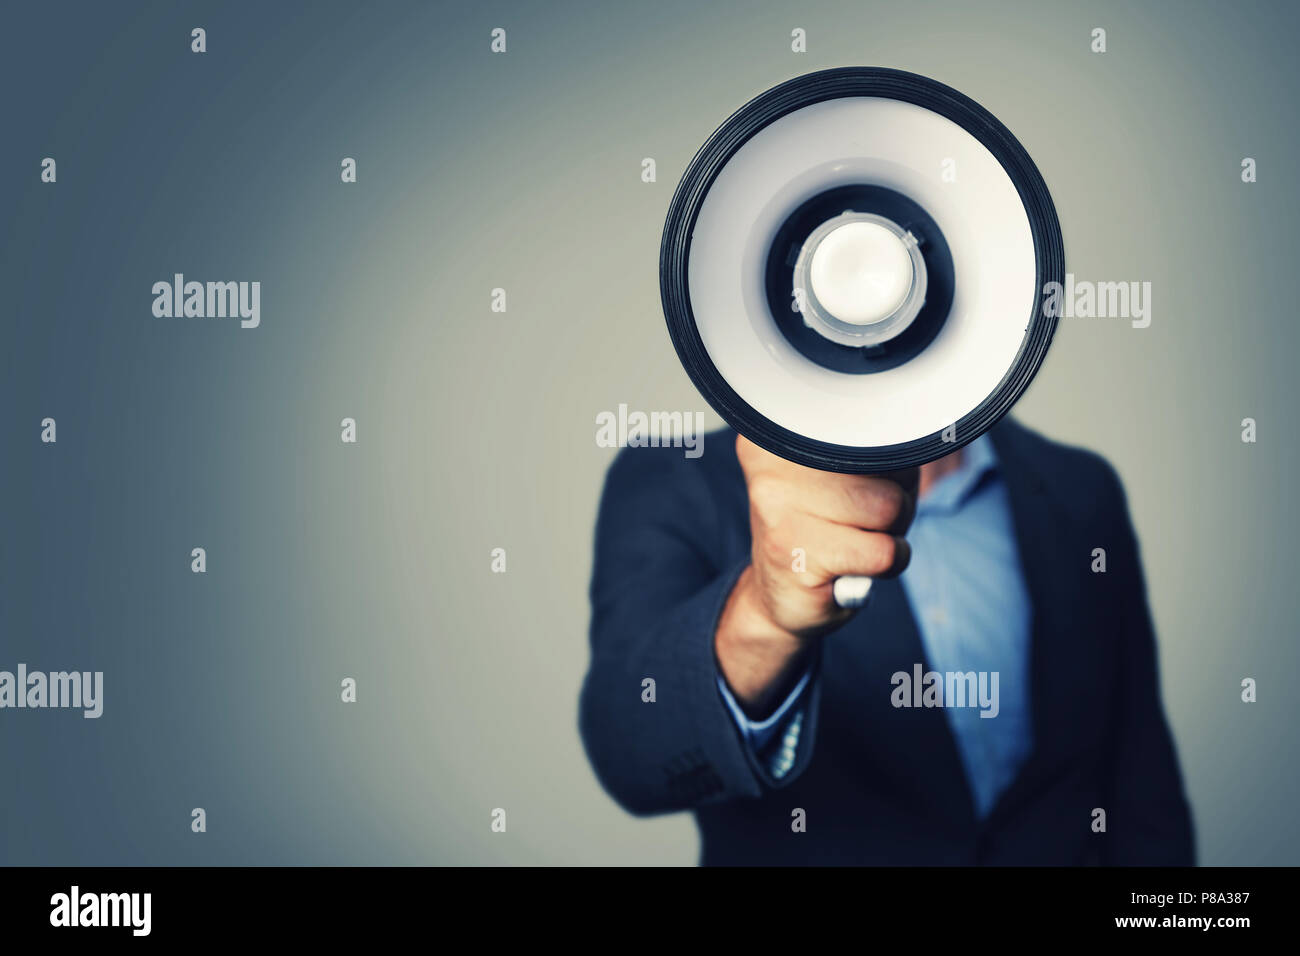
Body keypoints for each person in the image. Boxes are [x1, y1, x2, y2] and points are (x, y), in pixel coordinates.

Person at [579, 417, 1195, 865]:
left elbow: (1140, 775)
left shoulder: (1081, 489)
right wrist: (765, 617)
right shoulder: (676, 478)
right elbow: (630, 746)